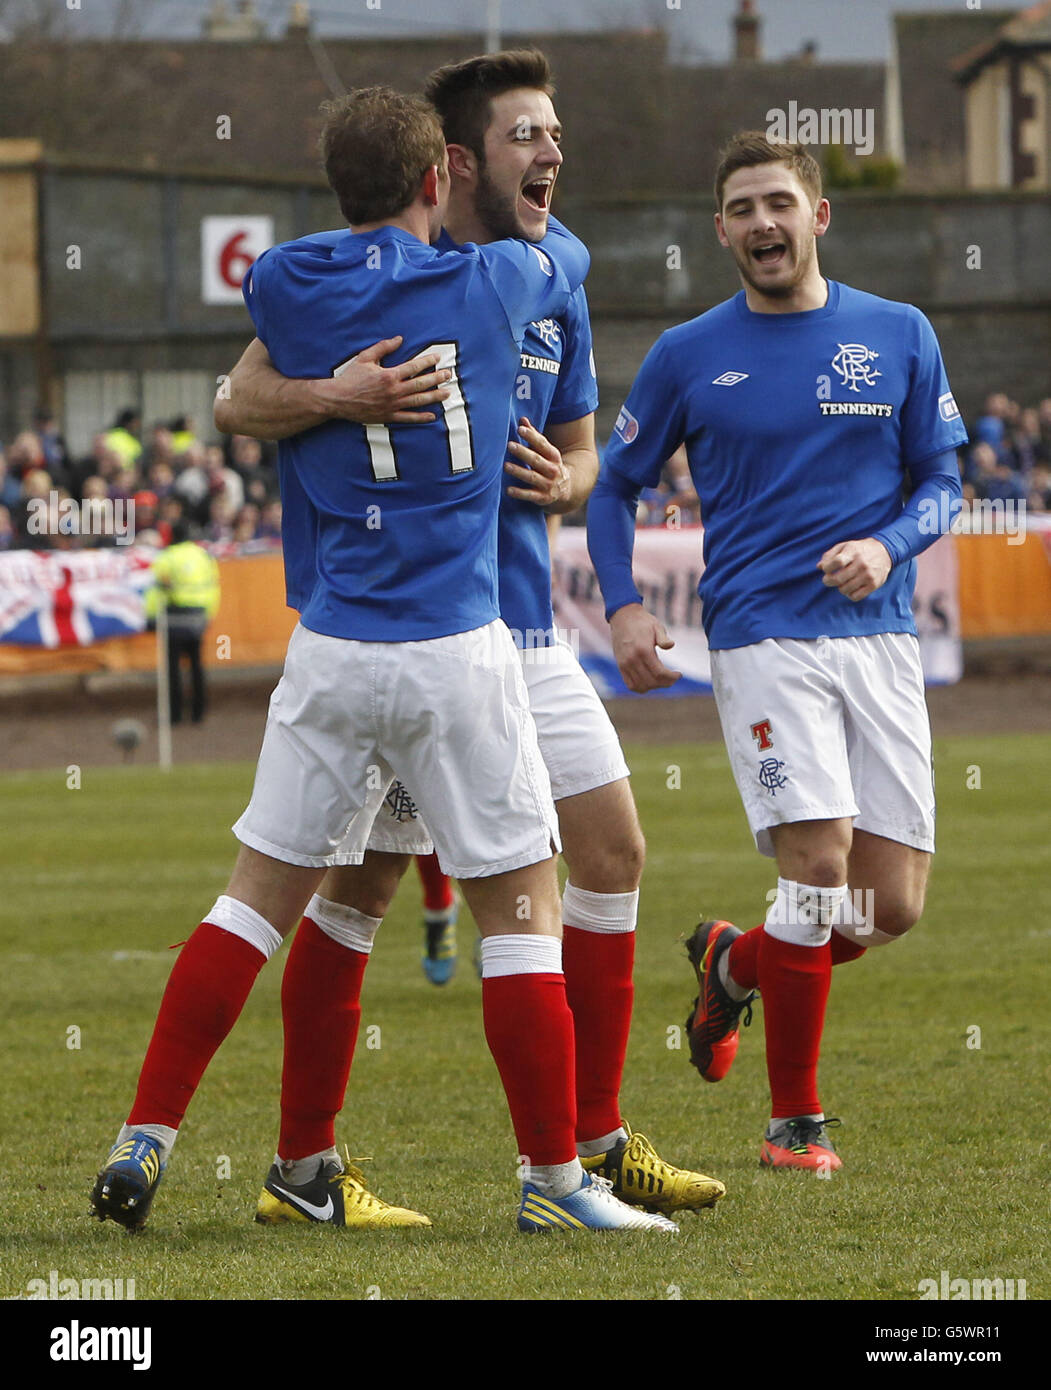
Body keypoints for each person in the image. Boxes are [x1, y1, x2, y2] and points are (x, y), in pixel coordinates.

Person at [91, 85, 678, 1236]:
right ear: (439, 176)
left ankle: (145, 1135)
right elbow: (563, 258)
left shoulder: (289, 284)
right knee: (518, 903)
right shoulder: (501, 281)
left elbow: (243, 369)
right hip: (459, 645)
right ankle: (555, 1180)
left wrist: (331, 388)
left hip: (332, 649)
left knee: (254, 900)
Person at [587, 131, 967, 1172]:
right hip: (759, 632)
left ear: (817, 217)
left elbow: (941, 480)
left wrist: (885, 545)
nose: (762, 224)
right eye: (742, 210)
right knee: (816, 867)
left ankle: (734, 964)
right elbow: (614, 485)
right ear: (721, 231)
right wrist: (622, 606)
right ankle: (793, 1122)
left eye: (778, 205)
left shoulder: (896, 333)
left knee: (889, 905)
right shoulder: (687, 352)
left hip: (880, 636)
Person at [145, 519, 221, 724]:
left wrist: (150, 618)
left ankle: (174, 715)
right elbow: (213, 586)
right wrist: (209, 615)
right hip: (199, 615)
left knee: (172, 668)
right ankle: (199, 712)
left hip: (174, 616)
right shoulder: (203, 556)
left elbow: (156, 591)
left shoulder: (166, 558)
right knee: (197, 665)